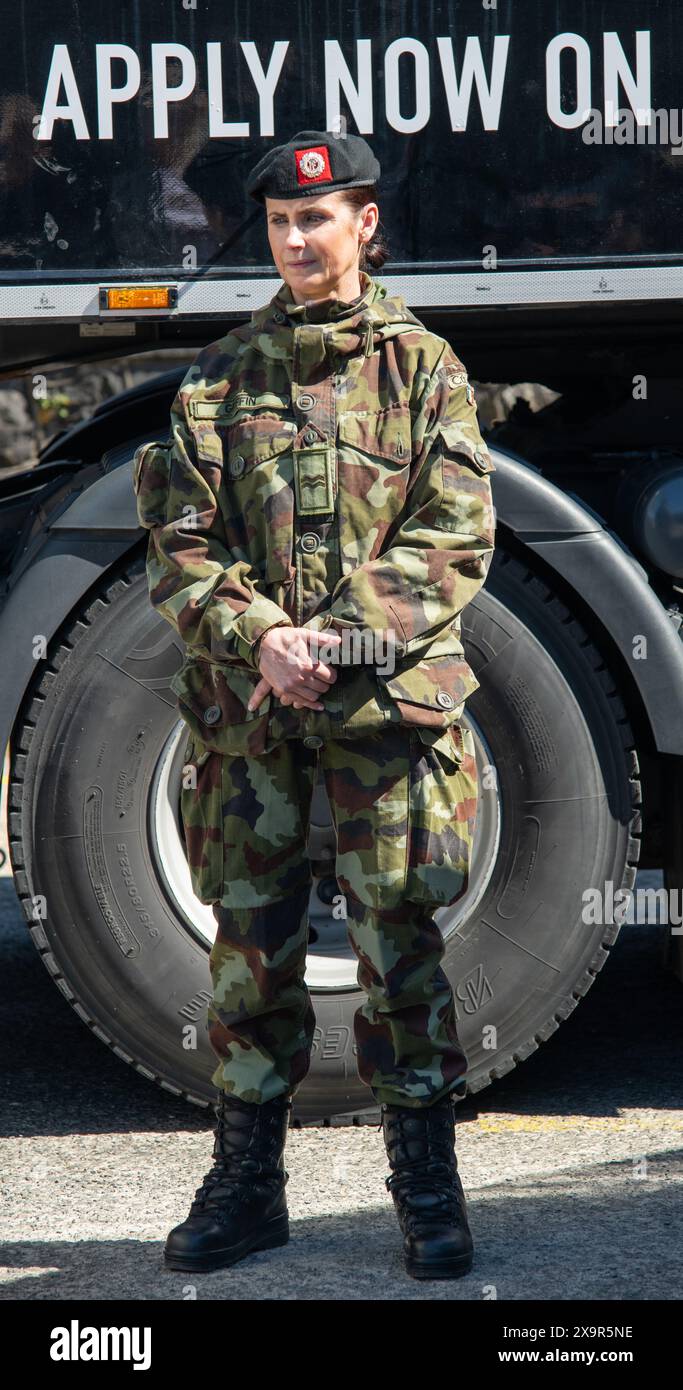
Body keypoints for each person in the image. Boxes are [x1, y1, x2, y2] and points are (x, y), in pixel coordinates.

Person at [133, 129, 496, 1282]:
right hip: (252, 718)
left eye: (319, 219)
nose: (298, 238)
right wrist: (261, 638)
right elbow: (179, 546)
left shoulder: (423, 370)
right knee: (249, 958)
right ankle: (248, 1188)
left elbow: (455, 535)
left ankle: (425, 1192)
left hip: (384, 717)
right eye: (283, 224)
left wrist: (332, 641)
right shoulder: (219, 378)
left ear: (363, 226)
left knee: (401, 953)